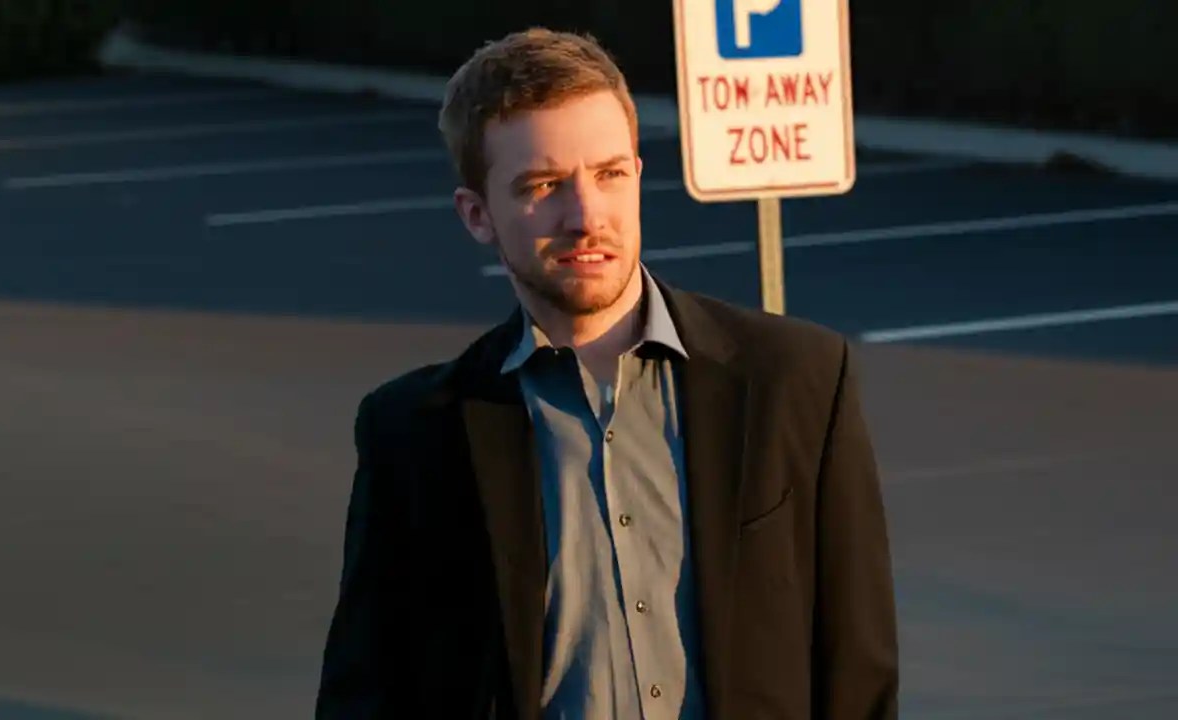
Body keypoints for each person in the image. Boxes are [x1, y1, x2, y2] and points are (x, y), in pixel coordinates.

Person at [315, 27, 898, 720]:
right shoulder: (415, 433)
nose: (586, 215)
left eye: (609, 174)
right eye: (543, 185)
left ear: (638, 177)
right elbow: (366, 695)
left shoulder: (797, 380)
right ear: (477, 215)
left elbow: (858, 676)